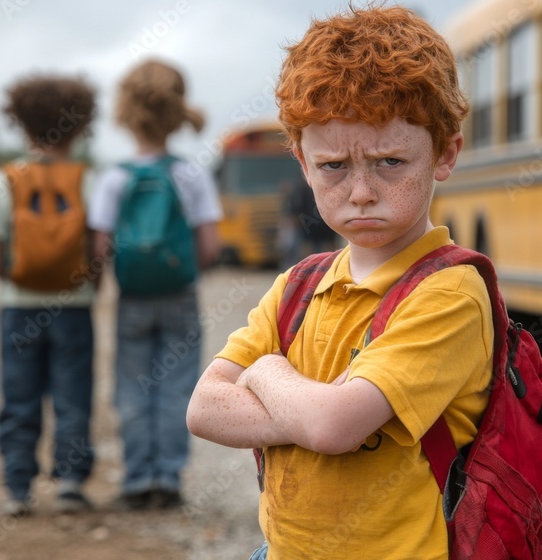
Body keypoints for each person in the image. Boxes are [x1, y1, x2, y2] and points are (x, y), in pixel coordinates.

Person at [186, 6, 494, 559]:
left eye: (391, 161)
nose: (361, 192)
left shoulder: (450, 294)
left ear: (446, 152)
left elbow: (334, 427)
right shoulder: (299, 286)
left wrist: (269, 371)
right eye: (333, 167)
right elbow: (204, 408)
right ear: (302, 162)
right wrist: (311, 411)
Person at [88, 59, 222, 510]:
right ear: (177, 111)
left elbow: (100, 247)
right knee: (177, 386)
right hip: (180, 295)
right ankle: (167, 480)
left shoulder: (114, 177)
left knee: (133, 388)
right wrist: (183, 269)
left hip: (133, 299)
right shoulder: (190, 174)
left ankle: (136, 480)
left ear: (125, 112)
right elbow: (209, 244)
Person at [0, 75, 98, 517]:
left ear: (20, 122)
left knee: (19, 396)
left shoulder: (6, 178)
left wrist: (10, 277)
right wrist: (92, 281)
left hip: (18, 308)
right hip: (74, 306)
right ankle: (71, 483)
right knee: (73, 396)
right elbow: (100, 242)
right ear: (80, 125)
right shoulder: (85, 177)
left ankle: (17, 489)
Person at [277, 176, 338, 269]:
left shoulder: (303, 188)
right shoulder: (304, 188)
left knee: (315, 251)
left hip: (315, 226)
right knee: (312, 250)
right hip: (314, 226)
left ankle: (316, 268)